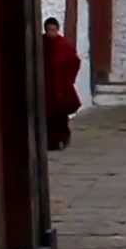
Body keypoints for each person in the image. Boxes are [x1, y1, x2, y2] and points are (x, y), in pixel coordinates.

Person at [43, 17, 81, 151]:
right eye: (48, 30)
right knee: (47, 116)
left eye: (53, 30)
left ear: (57, 30)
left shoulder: (64, 45)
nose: (51, 33)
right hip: (46, 87)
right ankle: (50, 142)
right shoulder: (42, 44)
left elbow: (74, 62)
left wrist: (69, 80)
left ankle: (63, 138)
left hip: (60, 87)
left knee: (60, 116)